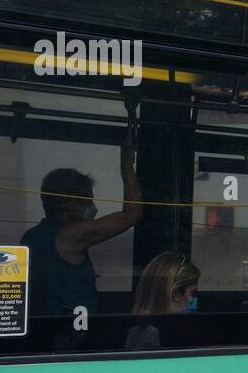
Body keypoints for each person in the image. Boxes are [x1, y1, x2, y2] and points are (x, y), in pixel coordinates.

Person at [20, 131, 143, 318]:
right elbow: (131, 216)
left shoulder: (31, 236)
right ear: (65, 203)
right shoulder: (70, 235)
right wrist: (126, 162)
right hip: (73, 334)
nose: (93, 209)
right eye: (85, 202)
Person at [125, 252, 201, 350]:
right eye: (193, 292)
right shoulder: (176, 334)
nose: (193, 299)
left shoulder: (133, 330)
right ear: (175, 293)